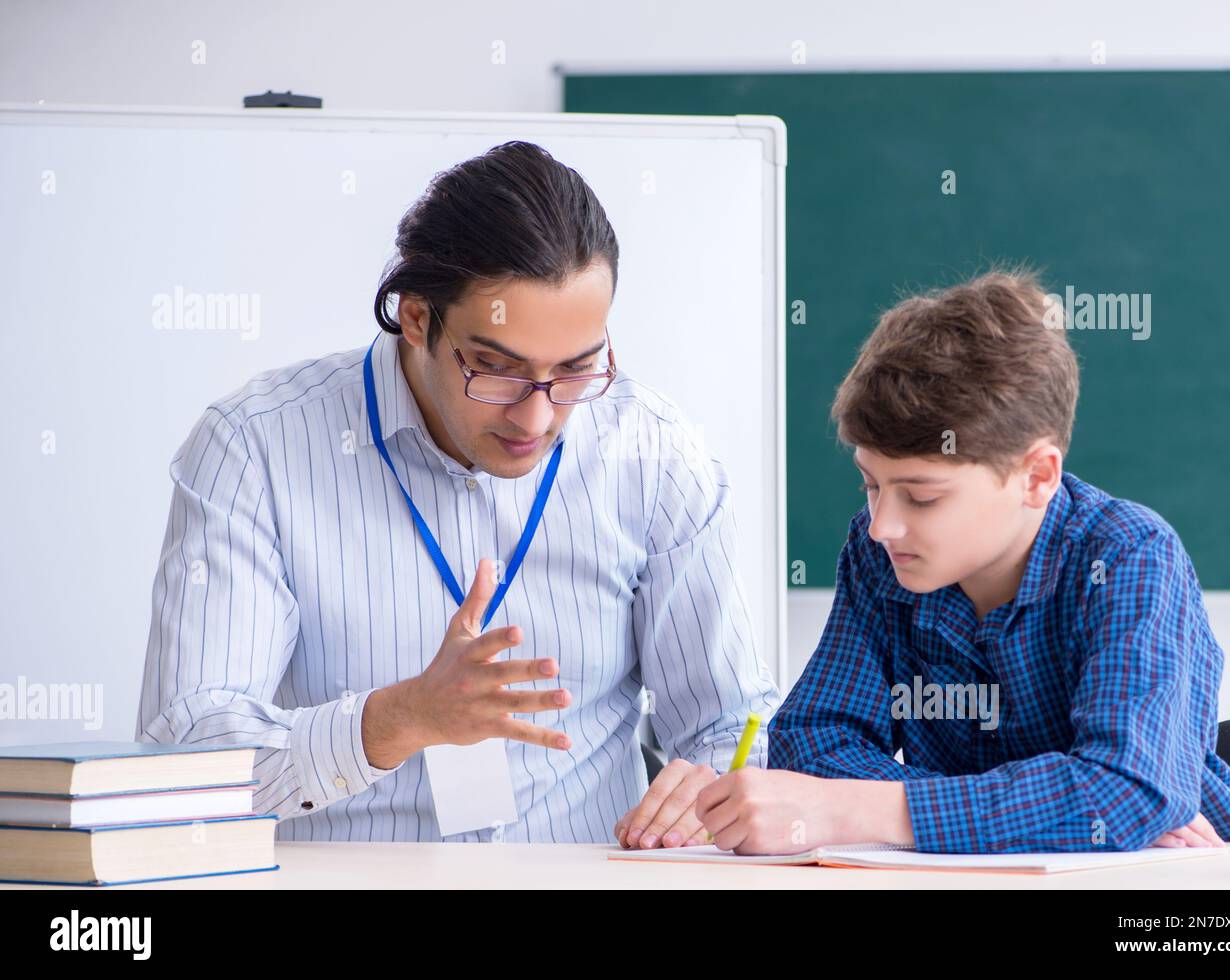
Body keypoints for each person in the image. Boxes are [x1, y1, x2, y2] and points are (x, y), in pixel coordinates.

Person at [136, 140, 780, 845]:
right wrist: (396, 720)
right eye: (496, 369)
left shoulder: (654, 453)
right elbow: (187, 761)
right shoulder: (253, 448)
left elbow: (731, 725)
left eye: (575, 369)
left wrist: (715, 785)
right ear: (416, 318)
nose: (537, 418)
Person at [694, 268, 1230, 854]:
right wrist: (1049, 811)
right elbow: (813, 745)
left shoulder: (1129, 556)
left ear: (1036, 477)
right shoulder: (880, 557)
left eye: (922, 496)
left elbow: (1124, 793)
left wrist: (852, 809)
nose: (883, 524)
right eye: (871, 484)